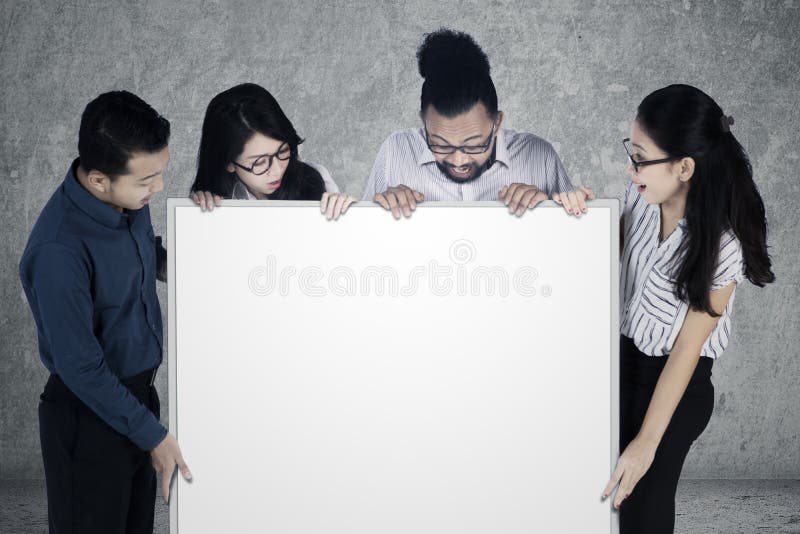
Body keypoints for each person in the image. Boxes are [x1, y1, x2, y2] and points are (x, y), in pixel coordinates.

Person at [601, 84, 775, 533]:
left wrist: (646, 443)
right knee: (596, 496)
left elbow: (686, 351)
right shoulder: (641, 198)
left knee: (639, 501)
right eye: (630, 153)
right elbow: (602, 256)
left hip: (678, 382)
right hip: (622, 363)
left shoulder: (722, 246)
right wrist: (572, 213)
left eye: (640, 158)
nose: (630, 168)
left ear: (683, 167)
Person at [19, 91, 191, 533]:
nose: (158, 188)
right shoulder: (58, 251)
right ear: (98, 180)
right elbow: (80, 366)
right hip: (88, 416)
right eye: (147, 180)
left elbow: (142, 252)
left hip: (138, 402)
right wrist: (154, 436)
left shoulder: (128, 201)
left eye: (160, 173)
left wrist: (183, 264)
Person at [361, 28, 594, 218]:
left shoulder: (539, 156)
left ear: (497, 123)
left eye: (474, 145)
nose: (458, 160)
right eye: (440, 144)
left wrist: (551, 211)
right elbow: (363, 244)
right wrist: (379, 213)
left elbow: (577, 242)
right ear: (424, 123)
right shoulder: (395, 152)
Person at [189, 83, 356, 220]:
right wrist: (196, 217)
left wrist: (350, 215)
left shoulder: (315, 179)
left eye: (283, 151)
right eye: (260, 162)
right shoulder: (212, 202)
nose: (277, 171)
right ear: (229, 163)